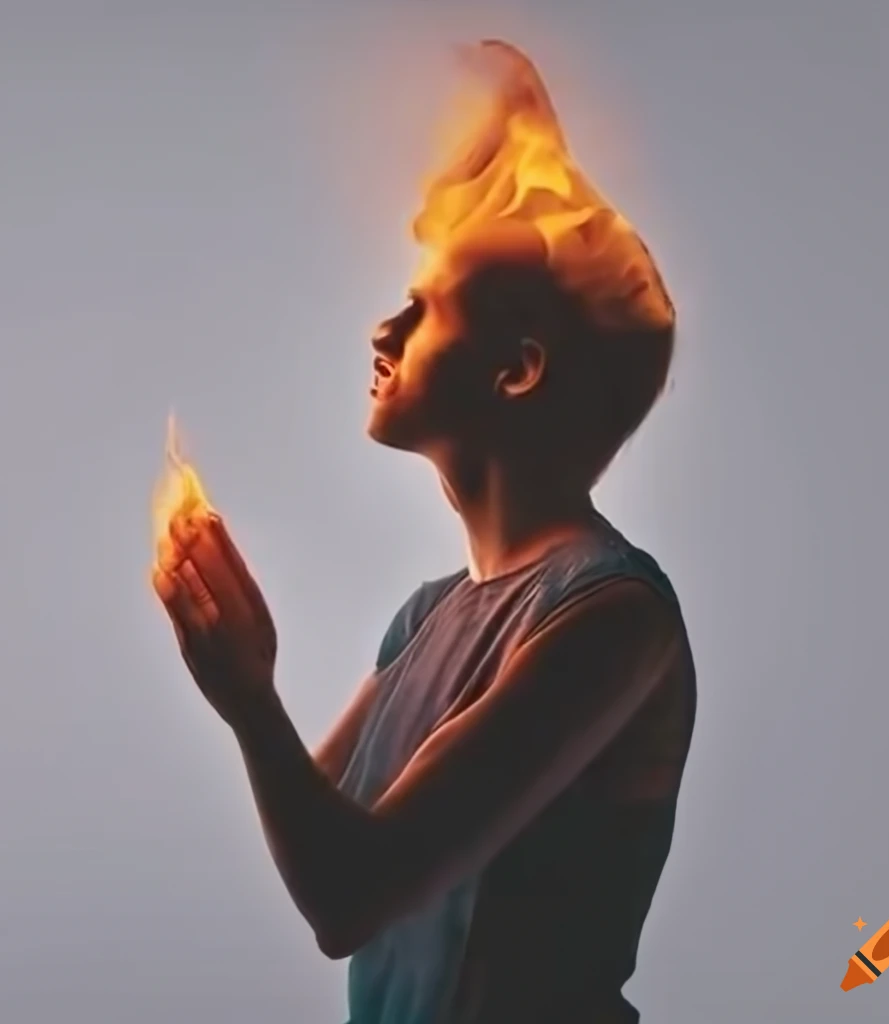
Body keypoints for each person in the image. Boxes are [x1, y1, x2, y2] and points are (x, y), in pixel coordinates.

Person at [152, 40, 696, 1024]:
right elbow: (322, 833)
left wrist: (250, 695)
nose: (382, 332)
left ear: (516, 371)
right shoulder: (425, 617)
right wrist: (244, 687)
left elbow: (347, 896)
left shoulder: (615, 617)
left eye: (423, 308)